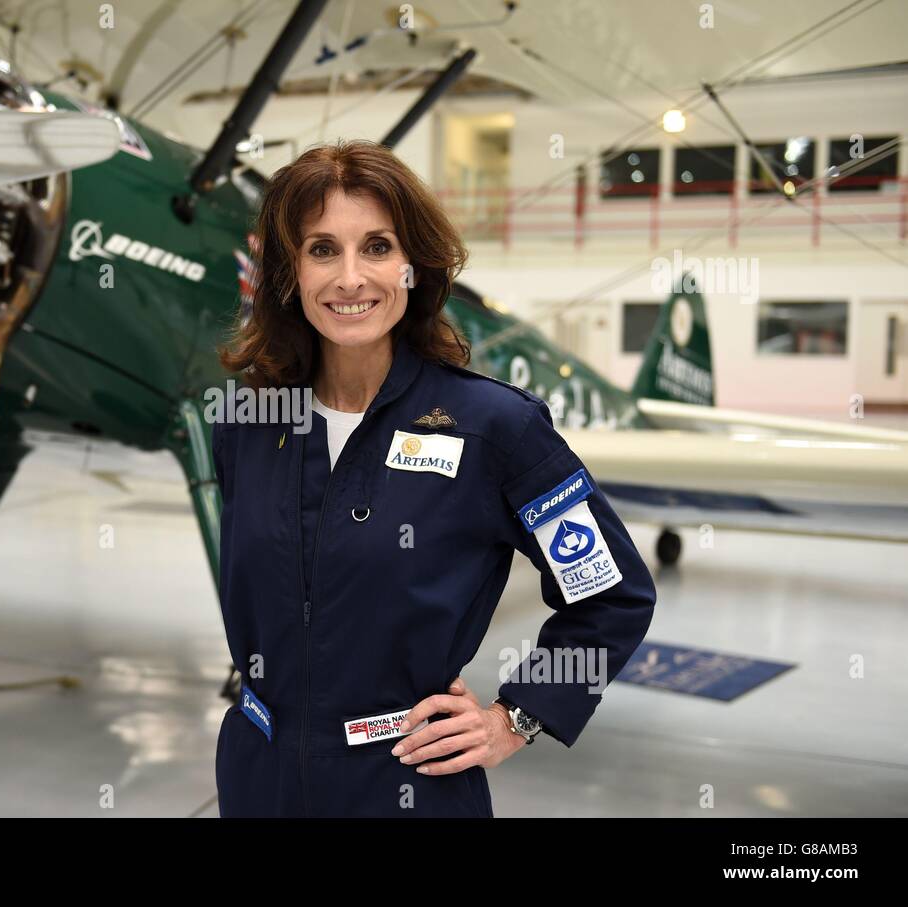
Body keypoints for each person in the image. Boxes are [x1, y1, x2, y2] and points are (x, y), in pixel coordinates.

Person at [209, 140, 657, 818]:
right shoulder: (247, 420)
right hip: (256, 776)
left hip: (404, 784)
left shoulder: (492, 427)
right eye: (322, 249)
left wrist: (517, 716)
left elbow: (613, 594)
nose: (351, 278)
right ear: (289, 272)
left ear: (413, 266)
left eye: (378, 247)